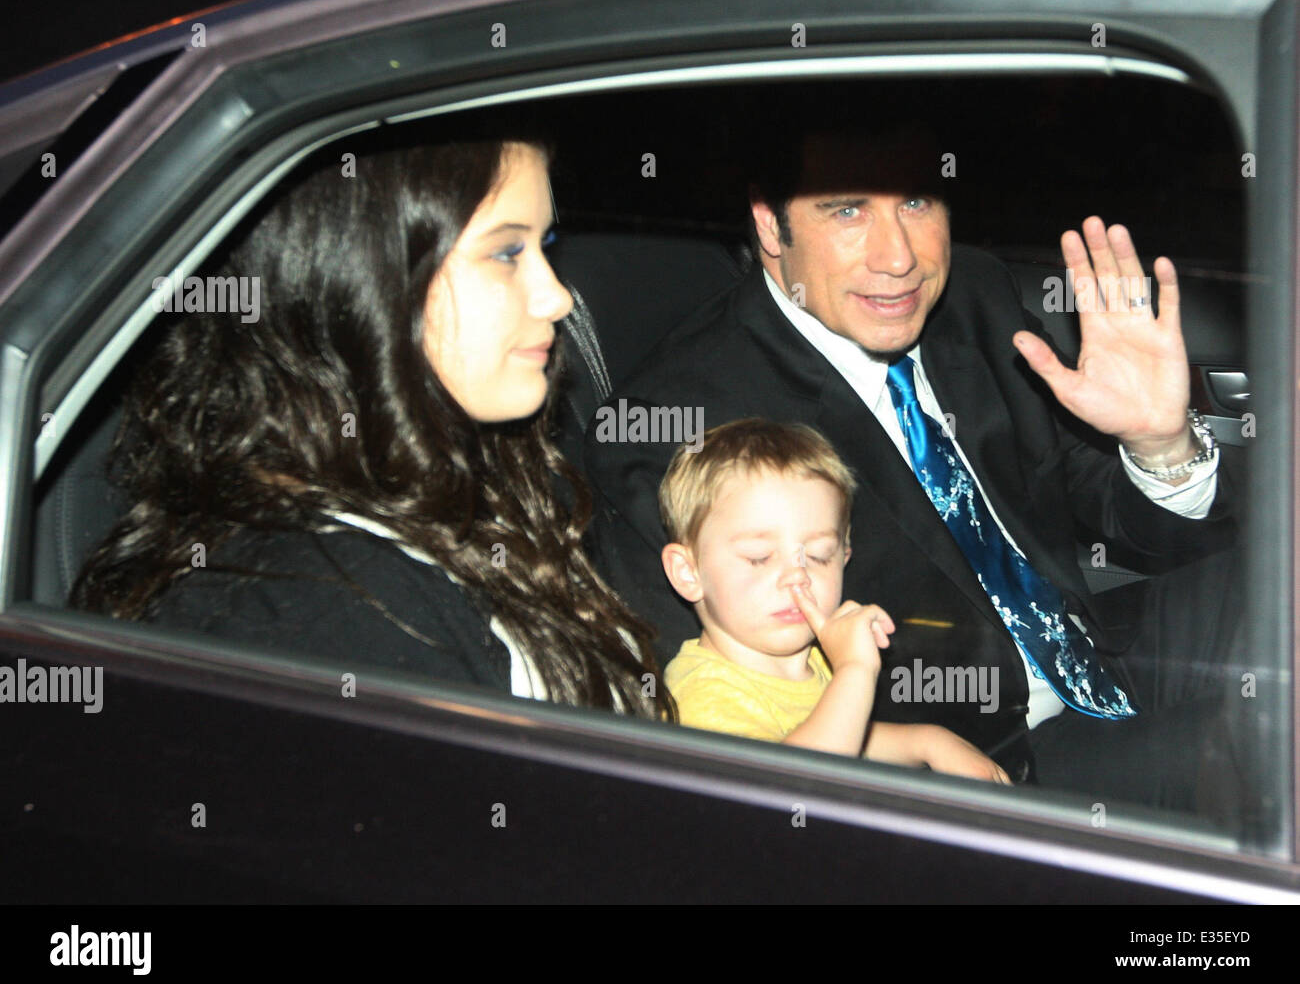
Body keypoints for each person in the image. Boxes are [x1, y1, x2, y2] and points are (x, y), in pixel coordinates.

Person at [584, 123, 1242, 799]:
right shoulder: (674, 428)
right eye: (847, 209)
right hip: (982, 768)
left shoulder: (976, 297)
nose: (898, 257)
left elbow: (1097, 500)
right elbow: (709, 757)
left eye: (918, 201)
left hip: (1102, 647)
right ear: (769, 226)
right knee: (1253, 738)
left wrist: (1157, 443)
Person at [73, 135, 667, 718]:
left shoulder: (462, 492)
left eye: (547, 245)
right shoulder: (315, 609)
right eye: (507, 253)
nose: (557, 297)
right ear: (360, 278)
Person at [659, 417, 1010, 782]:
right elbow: (787, 789)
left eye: (819, 555)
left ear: (844, 556)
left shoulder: (815, 657)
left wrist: (928, 742)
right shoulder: (701, 695)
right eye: (759, 557)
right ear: (689, 573)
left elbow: (845, 736)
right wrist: (854, 672)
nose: (797, 575)